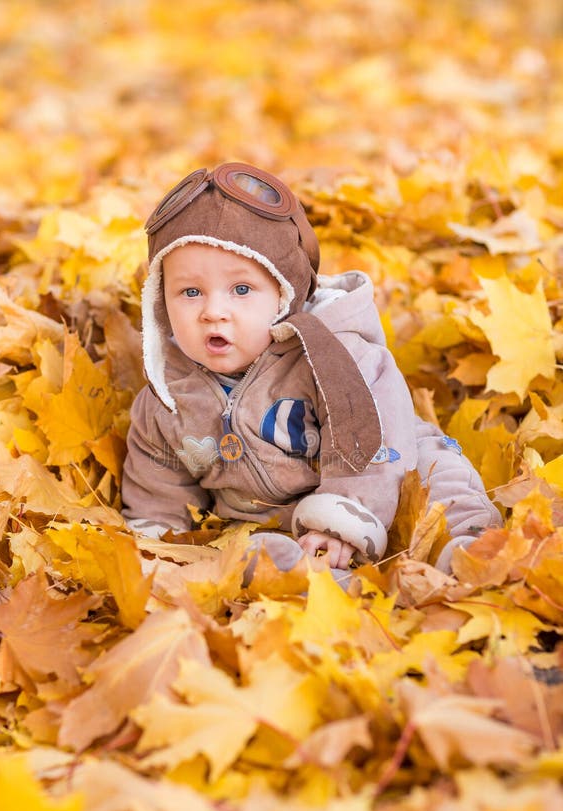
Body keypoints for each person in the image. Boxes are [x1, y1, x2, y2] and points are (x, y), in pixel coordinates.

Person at [121, 162, 501, 576]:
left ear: (284, 295)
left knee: (435, 472)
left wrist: (344, 516)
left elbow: (370, 438)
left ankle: (469, 547)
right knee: (252, 553)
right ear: (160, 301)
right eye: (190, 292)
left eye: (242, 289)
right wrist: (156, 547)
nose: (214, 312)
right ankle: (316, 581)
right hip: (280, 518)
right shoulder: (167, 396)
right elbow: (157, 485)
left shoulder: (331, 356)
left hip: (384, 468)